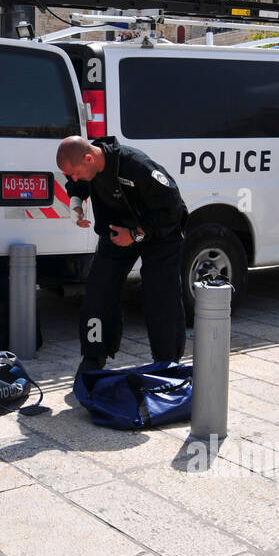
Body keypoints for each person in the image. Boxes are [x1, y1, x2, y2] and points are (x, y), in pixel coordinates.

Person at [57, 135, 189, 376]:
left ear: (89, 157)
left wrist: (137, 234)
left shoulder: (137, 165)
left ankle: (166, 362)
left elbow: (171, 210)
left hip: (160, 233)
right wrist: (76, 203)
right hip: (117, 231)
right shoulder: (86, 163)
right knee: (98, 290)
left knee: (160, 293)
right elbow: (75, 182)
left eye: (75, 172)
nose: (73, 177)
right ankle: (93, 357)